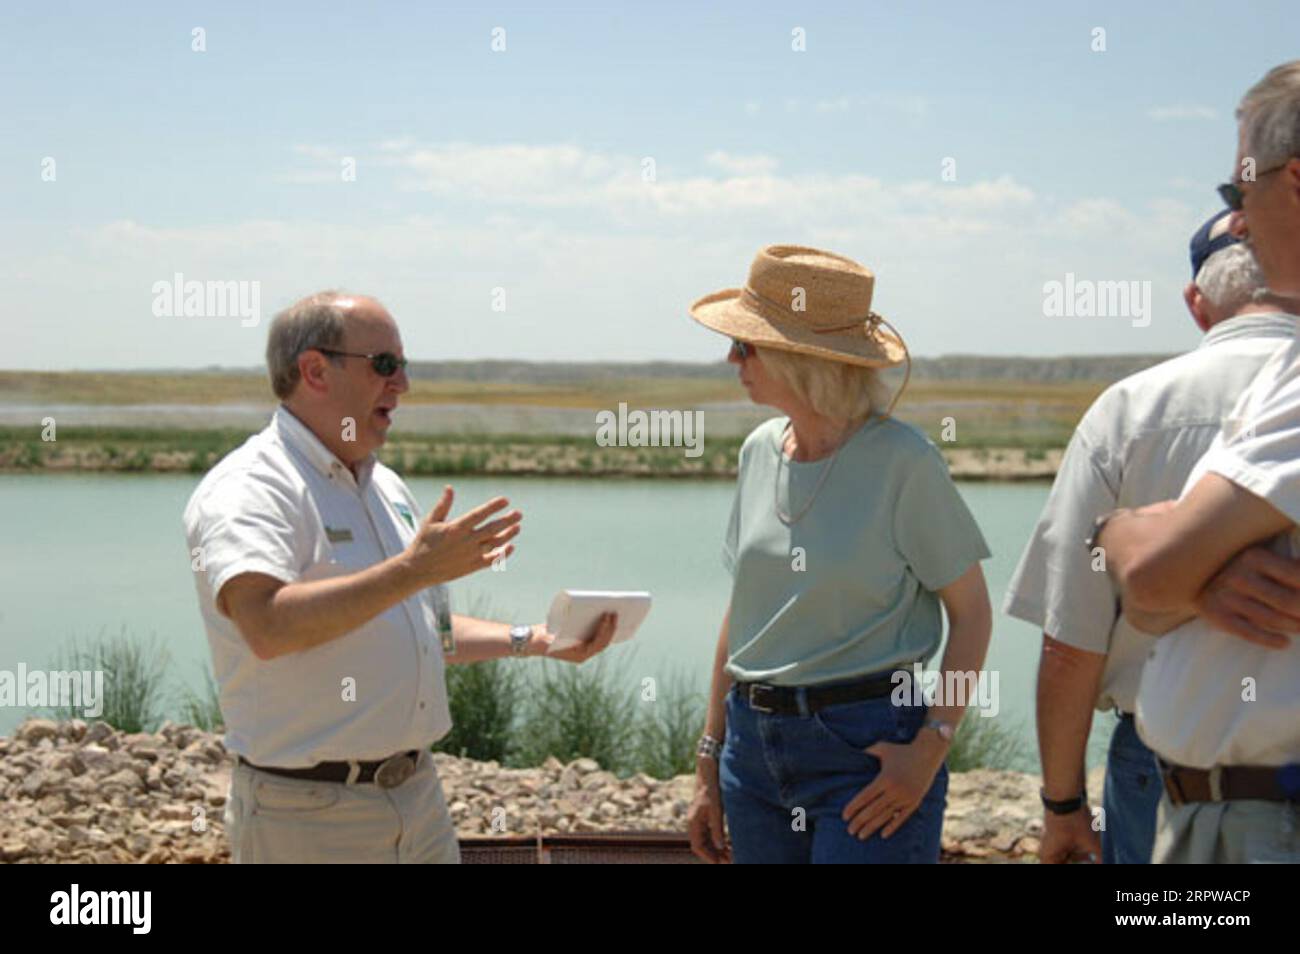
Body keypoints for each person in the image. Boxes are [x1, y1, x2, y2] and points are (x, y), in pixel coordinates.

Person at [183, 290, 616, 864]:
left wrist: (533, 640)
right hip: (307, 815)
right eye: (384, 364)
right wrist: (412, 570)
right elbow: (266, 626)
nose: (403, 384)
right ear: (314, 371)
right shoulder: (249, 488)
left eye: (404, 365)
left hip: (417, 799)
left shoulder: (384, 487)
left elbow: (424, 628)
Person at [684, 245, 992, 864]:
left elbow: (974, 616)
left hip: (868, 752)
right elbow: (743, 615)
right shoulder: (758, 451)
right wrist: (708, 761)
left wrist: (931, 747)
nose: (732, 359)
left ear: (799, 359)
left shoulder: (904, 462)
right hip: (751, 752)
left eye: (745, 345)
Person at [1004, 213, 1292, 864]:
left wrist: (1063, 806)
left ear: (1196, 303)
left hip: (1165, 768)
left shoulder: (1128, 411)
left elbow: (1071, 641)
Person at [1097, 61, 1300, 863]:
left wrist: (1134, 541)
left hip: (1261, 826)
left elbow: (1148, 587)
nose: (1238, 224)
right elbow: (1152, 595)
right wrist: (1157, 557)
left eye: (1237, 191)